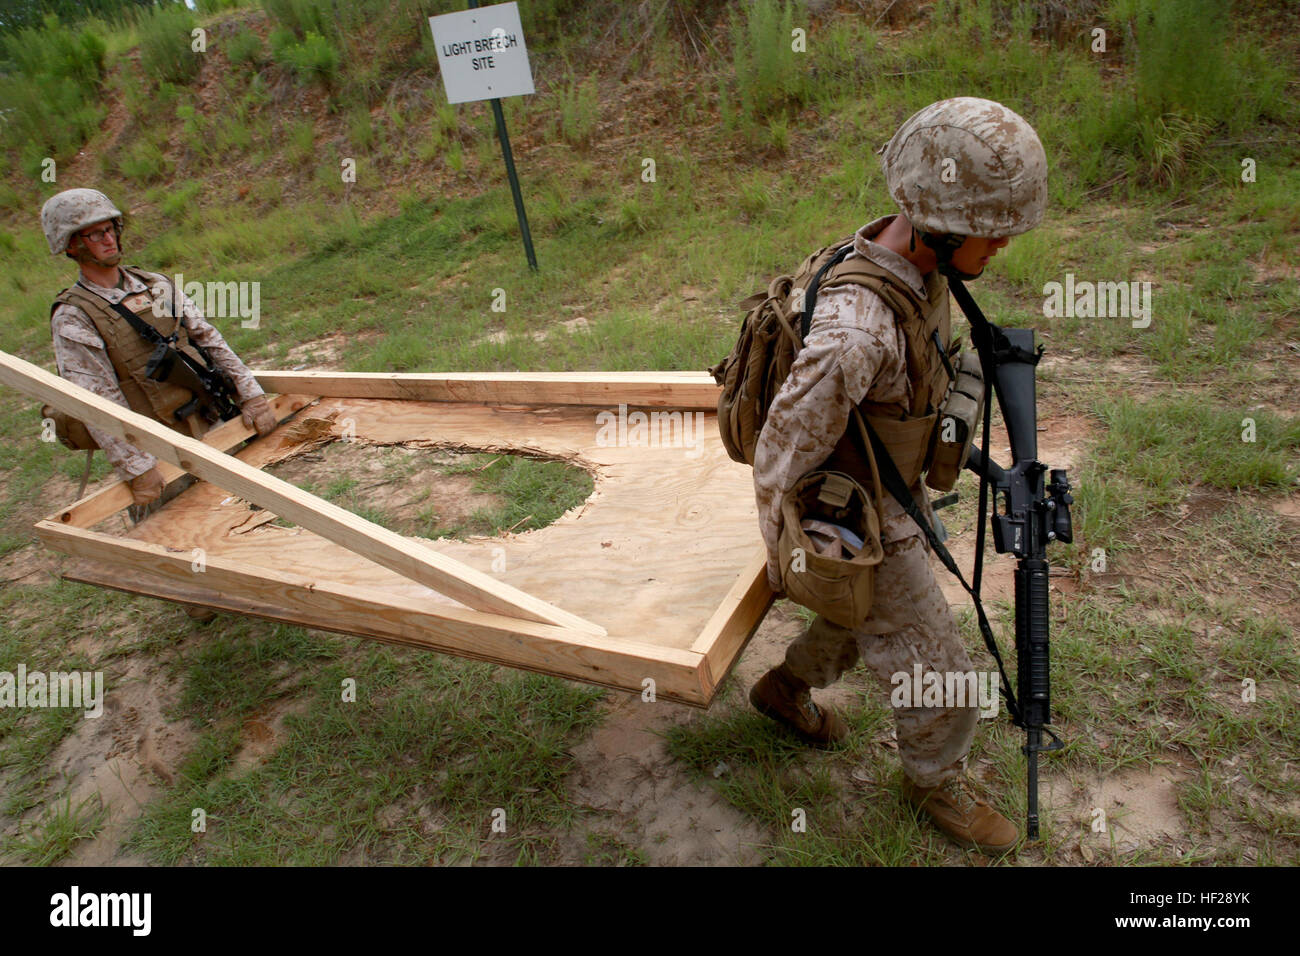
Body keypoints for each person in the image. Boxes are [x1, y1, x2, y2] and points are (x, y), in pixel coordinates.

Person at [748, 98, 1049, 853]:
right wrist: (789, 555)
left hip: (893, 486)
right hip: (858, 511)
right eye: (993, 228)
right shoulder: (856, 332)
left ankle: (785, 690)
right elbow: (783, 444)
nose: (1005, 242)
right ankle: (933, 779)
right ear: (940, 227)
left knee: (860, 616)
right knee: (944, 675)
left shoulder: (907, 256)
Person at [40, 187, 277, 511]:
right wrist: (137, 469)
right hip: (158, 456)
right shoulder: (74, 315)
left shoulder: (156, 285)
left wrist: (252, 395)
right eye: (95, 235)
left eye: (110, 229)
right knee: (184, 546)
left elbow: (207, 338)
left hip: (213, 427)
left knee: (254, 519)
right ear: (71, 245)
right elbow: (96, 400)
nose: (109, 239)